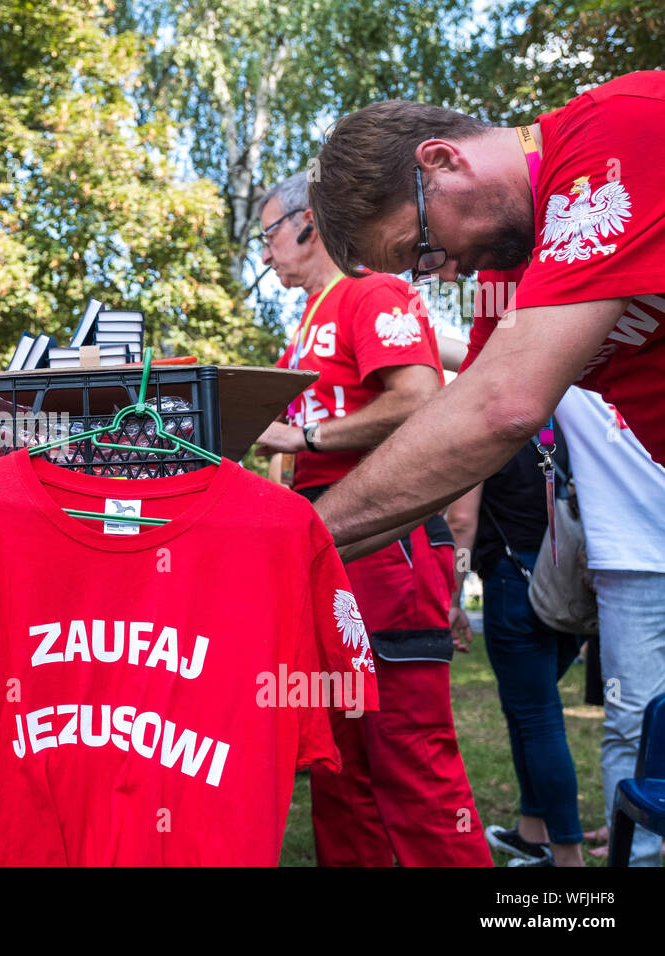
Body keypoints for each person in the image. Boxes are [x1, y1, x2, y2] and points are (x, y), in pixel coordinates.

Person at [302, 71, 665, 550]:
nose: (448, 274)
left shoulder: (618, 128)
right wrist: (299, 553)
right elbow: (454, 446)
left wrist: (295, 537)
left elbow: (500, 410)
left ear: (441, 161)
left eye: (424, 249)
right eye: (422, 271)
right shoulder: (506, 281)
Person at [253, 172, 490, 866]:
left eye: (267, 234)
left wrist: (310, 439)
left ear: (307, 223)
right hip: (328, 557)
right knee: (339, 763)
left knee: (410, 761)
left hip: (389, 553)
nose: (265, 255)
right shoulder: (306, 322)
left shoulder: (372, 292)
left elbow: (419, 398)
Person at [445, 430, 583, 867]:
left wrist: (453, 593)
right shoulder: (577, 417)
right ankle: (530, 830)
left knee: (538, 716)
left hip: (515, 578)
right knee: (524, 709)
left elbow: (461, 521)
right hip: (572, 582)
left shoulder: (493, 421)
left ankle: (566, 857)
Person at [555, 387, 665, 866]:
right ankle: (636, 860)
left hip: (628, 567)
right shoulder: (573, 365)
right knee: (631, 726)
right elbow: (480, 359)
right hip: (630, 566)